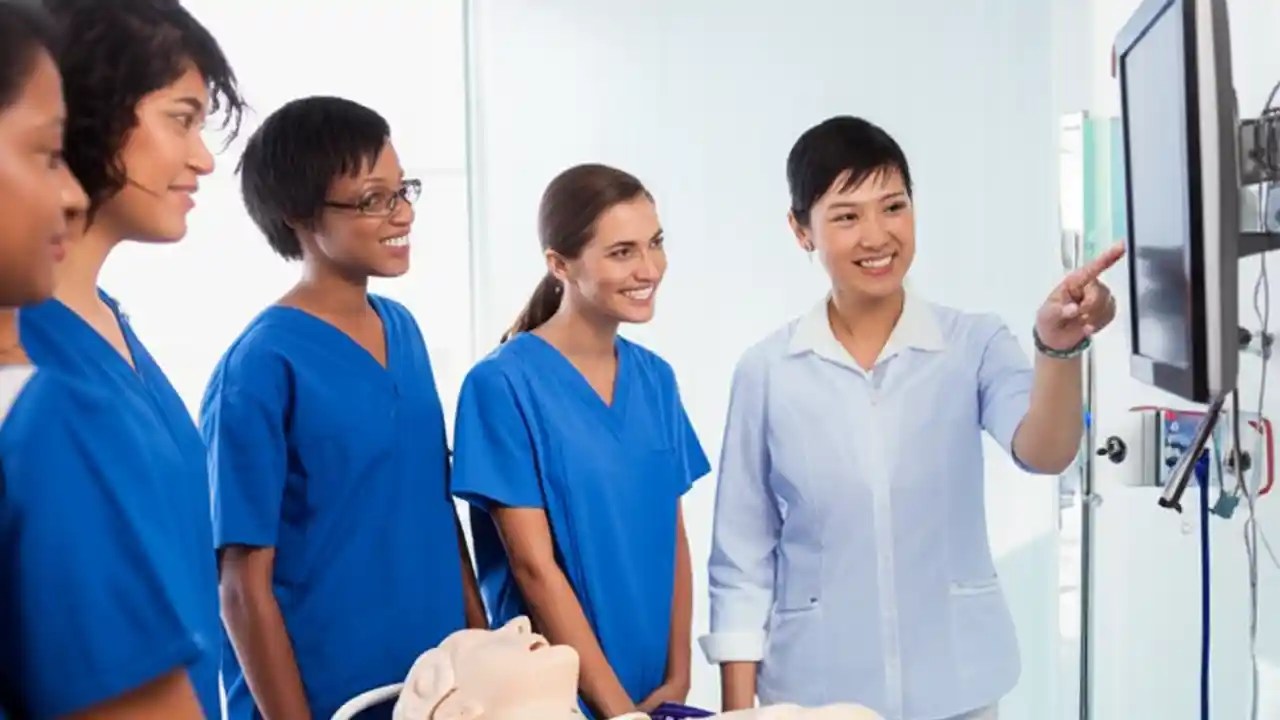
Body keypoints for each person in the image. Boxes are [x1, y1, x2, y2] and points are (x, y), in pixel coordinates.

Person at [701, 116, 1123, 720]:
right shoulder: (768, 370)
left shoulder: (973, 342)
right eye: (846, 216)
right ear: (801, 230)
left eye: (893, 206)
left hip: (956, 685)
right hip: (815, 696)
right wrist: (740, 716)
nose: (877, 236)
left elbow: (1046, 451)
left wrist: (1057, 347)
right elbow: (740, 556)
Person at [200, 95, 486, 720]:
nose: (401, 212)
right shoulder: (258, 368)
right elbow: (242, 590)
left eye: (402, 190)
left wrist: (483, 658)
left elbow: (437, 514)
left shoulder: (403, 331)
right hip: (330, 699)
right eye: (373, 198)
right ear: (298, 215)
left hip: (435, 693)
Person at [13, 2, 245, 718]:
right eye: (181, 118)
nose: (203, 158)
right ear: (91, 110)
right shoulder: (29, 358)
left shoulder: (111, 329)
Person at [450, 164, 711, 719]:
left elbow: (674, 537)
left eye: (655, 243)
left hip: (652, 691)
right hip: (549, 697)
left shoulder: (655, 379)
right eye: (622, 252)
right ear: (559, 265)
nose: (649, 269)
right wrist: (617, 712)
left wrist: (680, 673)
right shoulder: (501, 385)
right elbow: (533, 568)